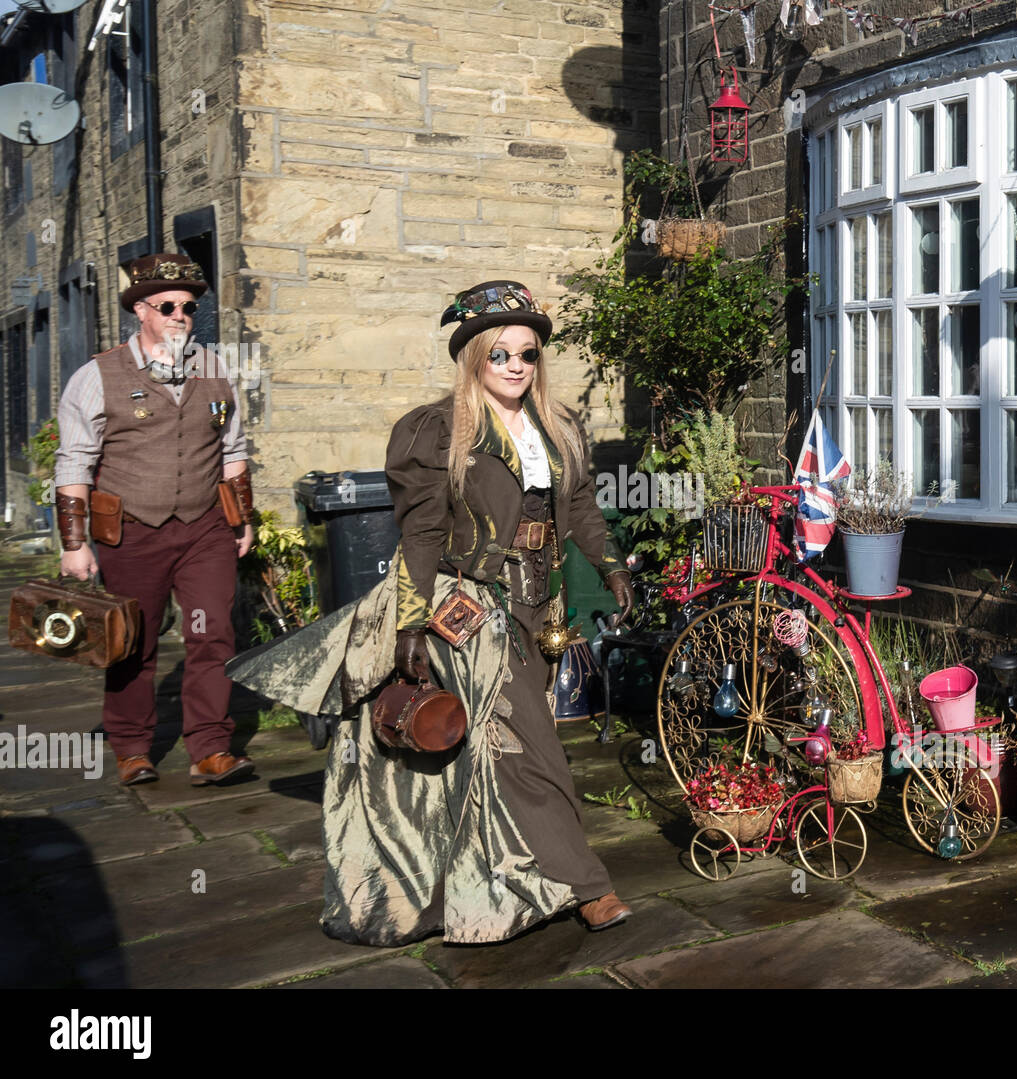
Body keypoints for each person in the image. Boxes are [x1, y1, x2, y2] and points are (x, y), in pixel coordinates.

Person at [227, 280, 636, 945]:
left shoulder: (559, 426)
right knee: (532, 745)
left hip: (540, 608)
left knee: (503, 756)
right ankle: (591, 888)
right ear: (474, 358)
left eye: (527, 354)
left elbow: (583, 510)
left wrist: (612, 563)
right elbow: (418, 539)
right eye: (499, 354)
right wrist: (412, 622)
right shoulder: (438, 431)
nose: (515, 367)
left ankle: (502, 883)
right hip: (474, 607)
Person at [54, 253, 256, 788]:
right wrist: (74, 544)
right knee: (131, 642)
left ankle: (210, 747)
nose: (180, 315)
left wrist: (243, 519)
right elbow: (74, 462)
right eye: (167, 306)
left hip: (205, 526)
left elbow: (231, 449)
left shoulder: (214, 369)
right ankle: (131, 748)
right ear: (140, 310)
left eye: (188, 307)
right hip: (133, 531)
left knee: (212, 633)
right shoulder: (96, 376)